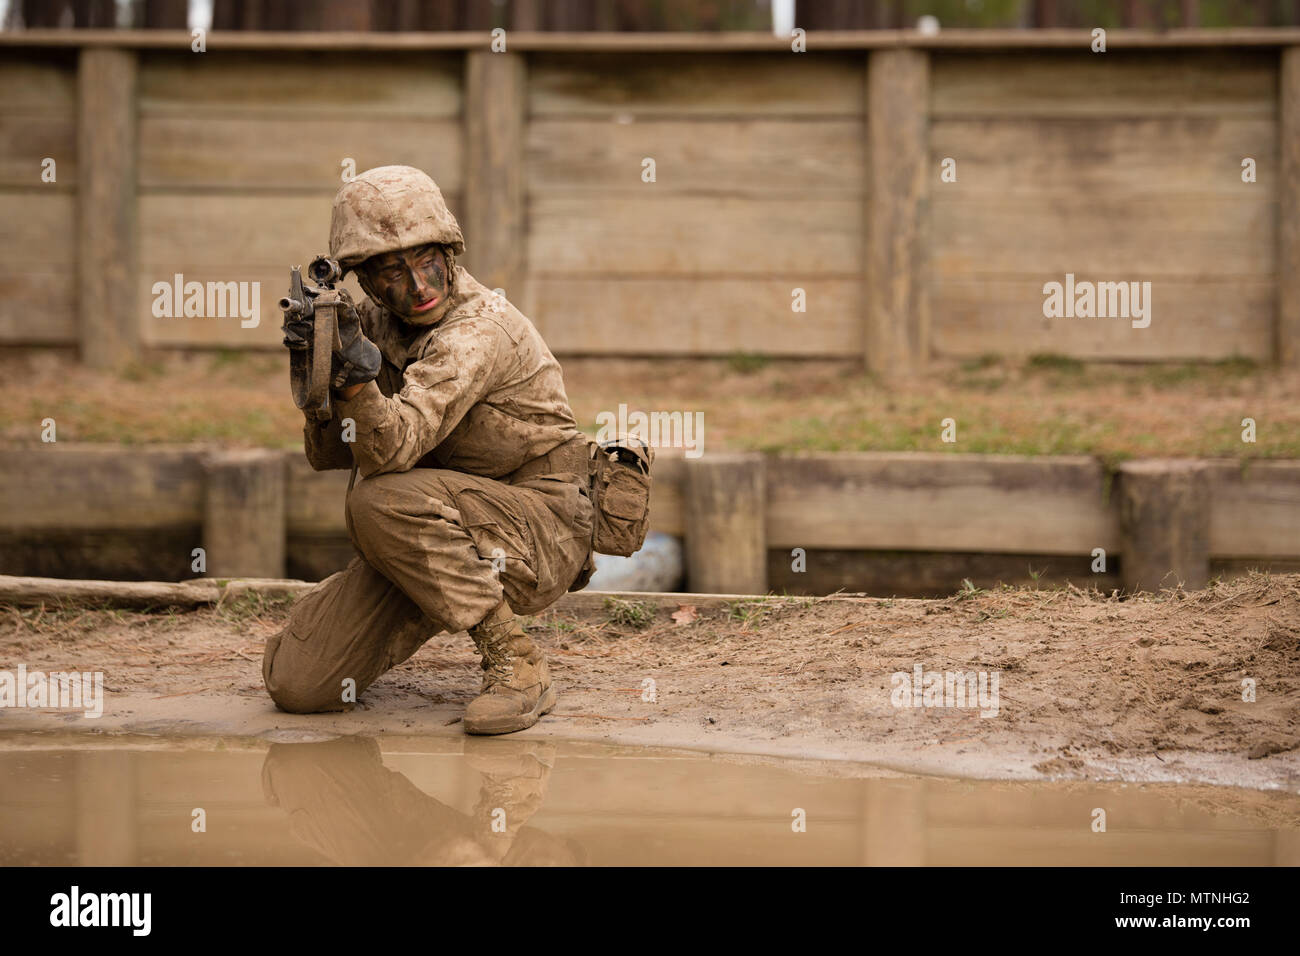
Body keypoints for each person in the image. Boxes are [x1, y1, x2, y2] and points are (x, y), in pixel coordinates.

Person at [262, 165, 595, 735]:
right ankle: (396, 577)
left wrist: (356, 380)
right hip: (436, 526)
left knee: (379, 500)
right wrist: (316, 372)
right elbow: (331, 455)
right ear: (363, 278)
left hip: (539, 526)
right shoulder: (368, 322)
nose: (418, 287)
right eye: (392, 271)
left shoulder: (479, 331)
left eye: (427, 262)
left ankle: (516, 664)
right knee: (299, 686)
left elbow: (389, 453)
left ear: (450, 252)